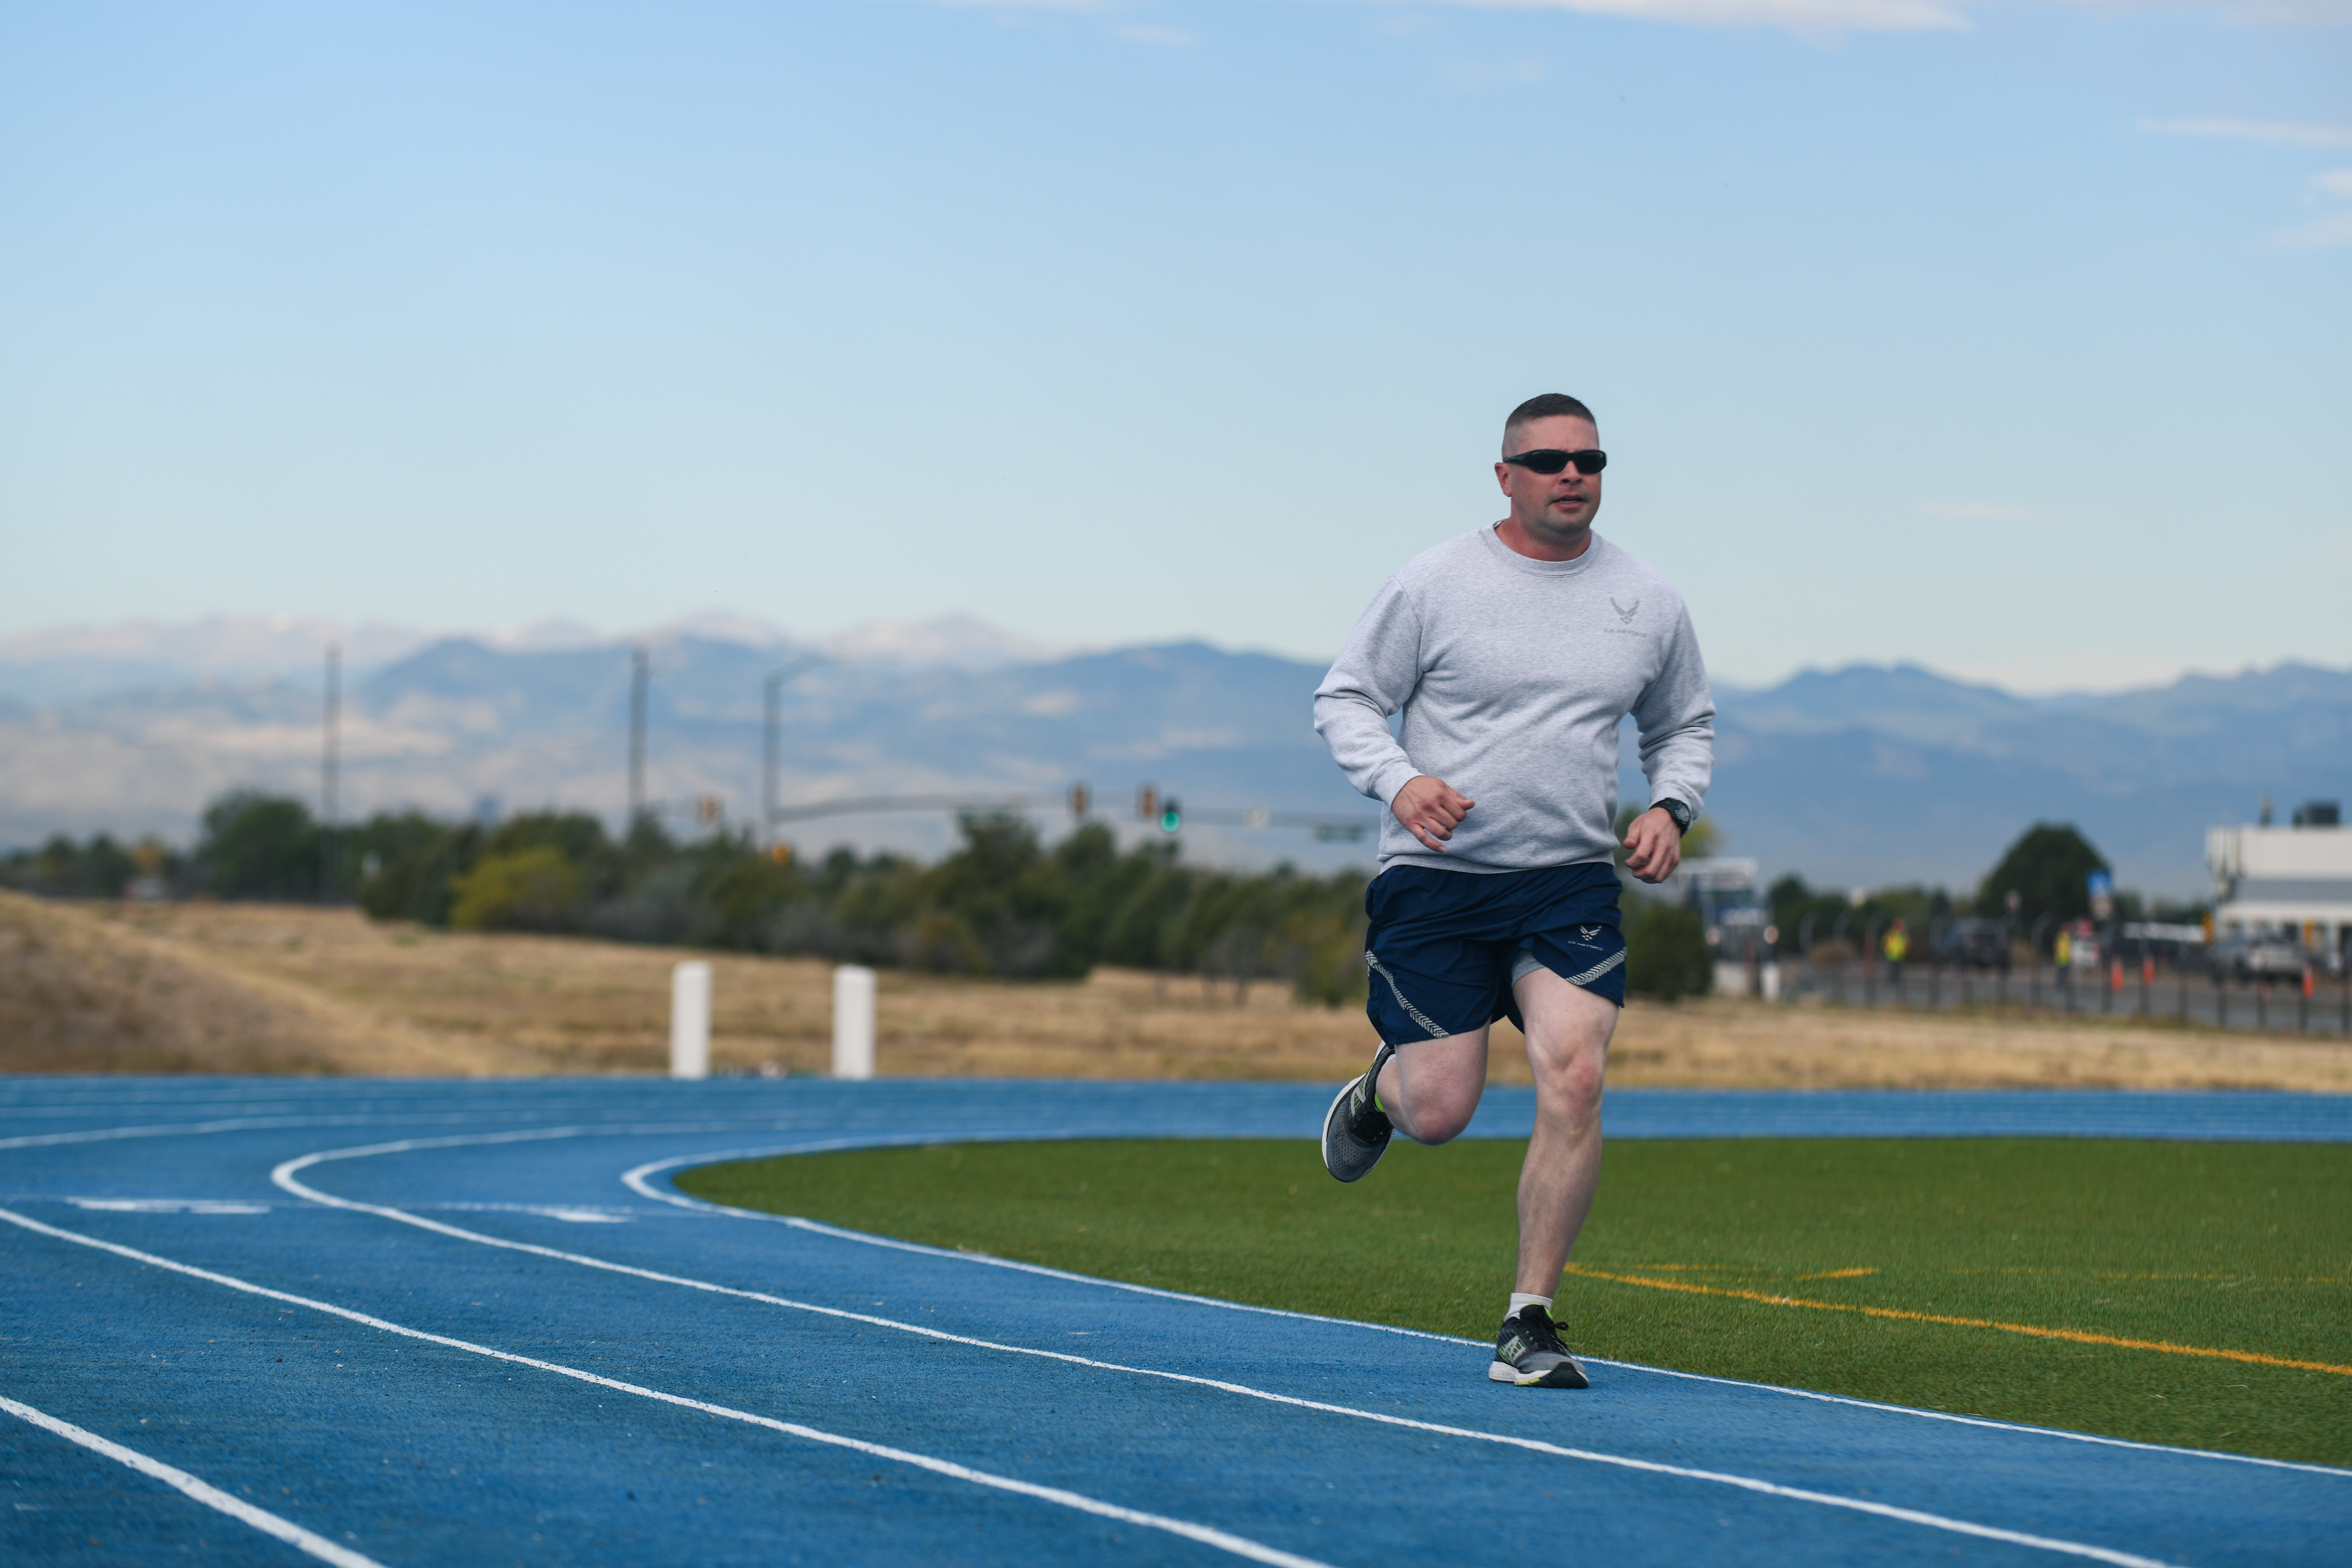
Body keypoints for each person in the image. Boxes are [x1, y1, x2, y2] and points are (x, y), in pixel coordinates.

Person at [1312, 392, 1714, 1389]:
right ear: (1505, 476)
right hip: (1437, 883)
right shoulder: (1435, 583)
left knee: (1574, 1074)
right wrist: (1403, 783)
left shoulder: (1648, 599)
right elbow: (1345, 699)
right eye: (1547, 461)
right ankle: (1379, 1090)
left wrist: (1670, 806)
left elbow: (1684, 725)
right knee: (1443, 1109)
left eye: (1589, 459)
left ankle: (1528, 1319)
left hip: (1567, 884)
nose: (1571, 475)